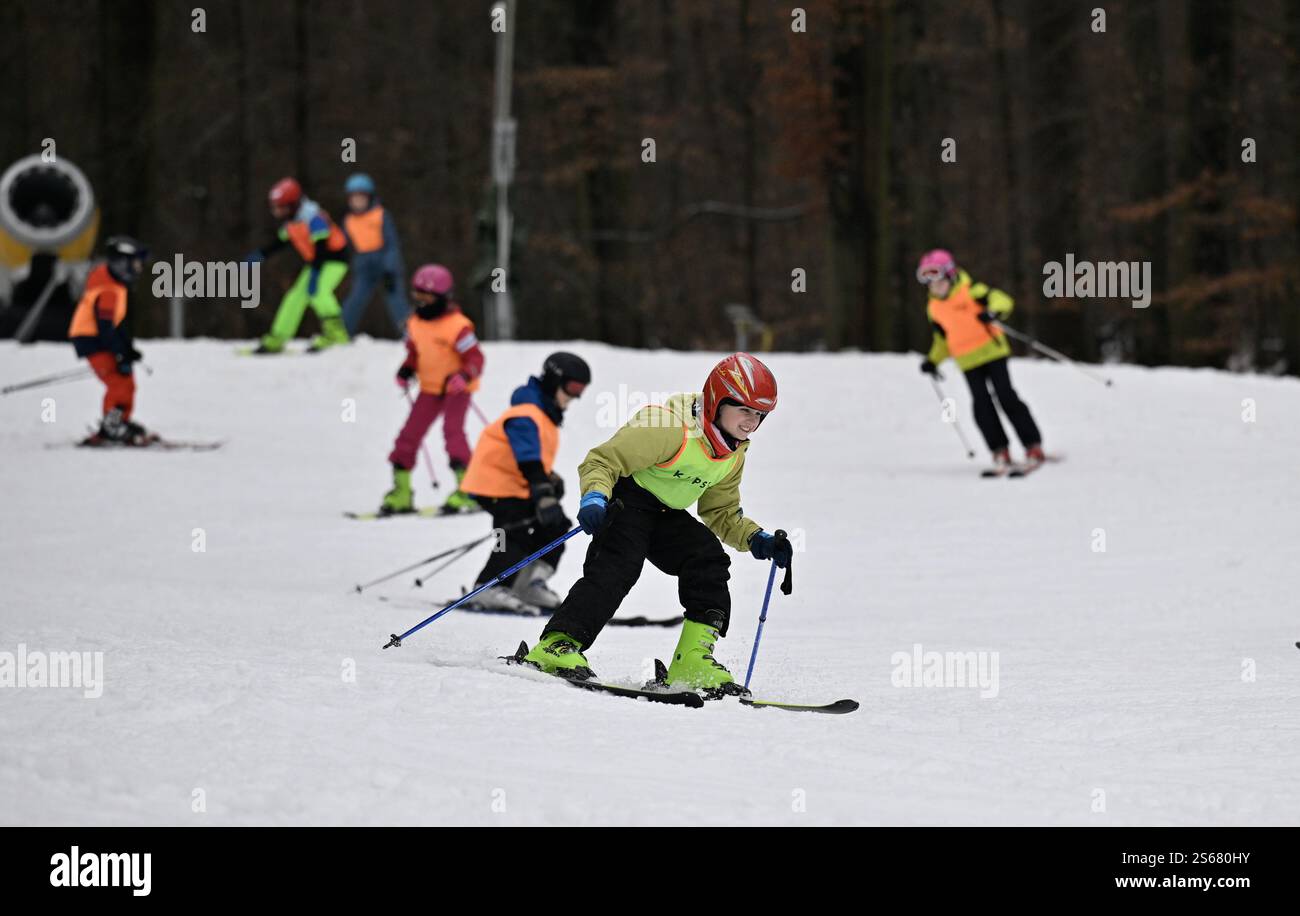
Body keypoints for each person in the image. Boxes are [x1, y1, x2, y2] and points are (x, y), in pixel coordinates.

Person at [522, 352, 792, 697]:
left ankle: (691, 662)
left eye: (759, 415)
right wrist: (594, 497)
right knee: (619, 565)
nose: (751, 423)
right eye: (744, 410)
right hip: (625, 501)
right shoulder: (667, 426)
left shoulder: (732, 452)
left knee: (707, 558)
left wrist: (757, 539)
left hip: (665, 513)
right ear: (717, 399)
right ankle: (557, 644)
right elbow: (602, 461)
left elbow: (721, 511)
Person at [459, 353, 591, 611]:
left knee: (555, 525)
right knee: (512, 531)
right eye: (573, 387)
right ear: (555, 380)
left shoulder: (542, 414)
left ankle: (528, 584)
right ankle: (488, 586)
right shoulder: (526, 413)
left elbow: (530, 458)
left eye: (581, 390)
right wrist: (542, 490)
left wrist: (549, 480)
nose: (575, 396)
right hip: (495, 485)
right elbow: (527, 458)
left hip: (514, 485)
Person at [916, 249, 1045, 470]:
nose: (935, 286)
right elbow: (942, 341)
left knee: (1006, 396)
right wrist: (933, 361)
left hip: (992, 352)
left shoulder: (971, 290)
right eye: (929, 281)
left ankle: (1032, 445)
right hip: (967, 360)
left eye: (938, 280)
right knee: (981, 404)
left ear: (950, 275)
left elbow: (1002, 300)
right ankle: (999, 450)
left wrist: (993, 311)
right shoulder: (934, 308)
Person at [380, 264, 485, 515]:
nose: (422, 301)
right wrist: (406, 370)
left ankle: (468, 490)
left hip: (455, 389)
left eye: (428, 297)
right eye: (418, 295)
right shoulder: (414, 323)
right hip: (429, 388)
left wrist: (464, 375)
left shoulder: (458, 326)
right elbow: (414, 353)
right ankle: (402, 493)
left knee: (452, 433)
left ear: (442, 297)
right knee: (408, 436)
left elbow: (476, 358)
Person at [246, 177, 350, 354]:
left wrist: (315, 273)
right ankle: (278, 338)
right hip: (315, 263)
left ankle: (337, 335)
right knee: (294, 297)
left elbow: (321, 247)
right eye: (275, 207)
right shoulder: (292, 222)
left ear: (293, 204)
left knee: (319, 292)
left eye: (281, 207)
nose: (277, 212)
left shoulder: (314, 218)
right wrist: (261, 255)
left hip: (334, 261)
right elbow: (280, 242)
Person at [67, 236, 150, 444]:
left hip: (99, 339)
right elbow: (105, 327)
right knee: (118, 382)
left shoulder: (114, 284)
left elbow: (115, 324)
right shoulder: (108, 289)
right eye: (136, 264)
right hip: (92, 340)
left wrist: (126, 349)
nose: (139, 269)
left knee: (126, 380)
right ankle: (112, 427)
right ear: (122, 264)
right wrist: (120, 353)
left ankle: (120, 421)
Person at [338, 173, 407, 336]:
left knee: (396, 300)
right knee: (355, 299)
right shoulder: (348, 220)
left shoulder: (380, 215)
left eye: (361, 198)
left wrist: (390, 268)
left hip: (383, 259)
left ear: (369, 197)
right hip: (363, 263)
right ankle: (342, 332)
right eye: (354, 198)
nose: (357, 202)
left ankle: (410, 334)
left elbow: (392, 244)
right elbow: (342, 245)